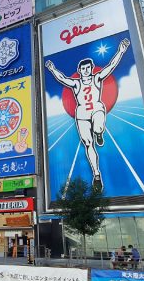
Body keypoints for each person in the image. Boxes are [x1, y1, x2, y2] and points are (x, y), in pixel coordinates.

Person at [45, 38, 130, 191]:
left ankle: (99, 133)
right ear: (79, 70)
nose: (86, 70)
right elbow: (62, 78)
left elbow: (111, 66)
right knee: (88, 144)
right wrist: (52, 69)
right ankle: (96, 174)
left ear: (91, 68)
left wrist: (121, 51)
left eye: (88, 68)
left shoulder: (97, 78)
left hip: (96, 108)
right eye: (83, 68)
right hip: (82, 113)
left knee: (98, 127)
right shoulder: (76, 83)